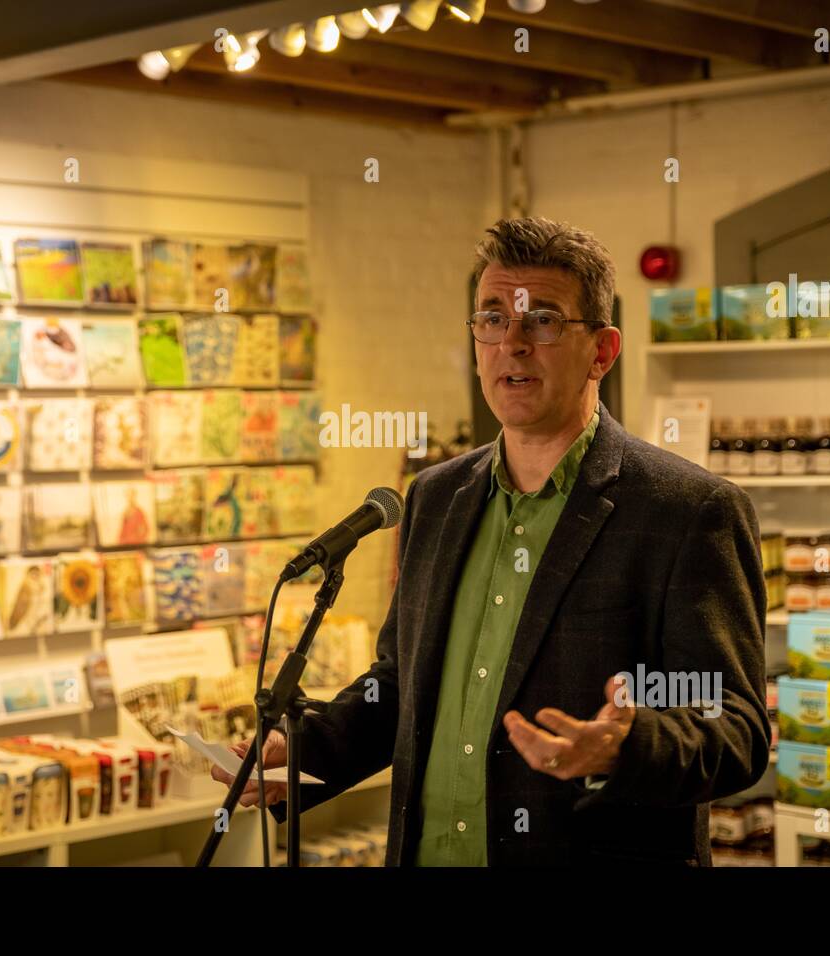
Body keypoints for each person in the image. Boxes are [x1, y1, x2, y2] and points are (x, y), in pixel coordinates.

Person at [213, 217, 770, 866]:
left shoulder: (688, 511)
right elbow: (399, 687)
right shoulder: (434, 497)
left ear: (603, 351)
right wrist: (306, 752)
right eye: (493, 317)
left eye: (544, 320)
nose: (513, 342)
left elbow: (736, 725)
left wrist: (629, 743)